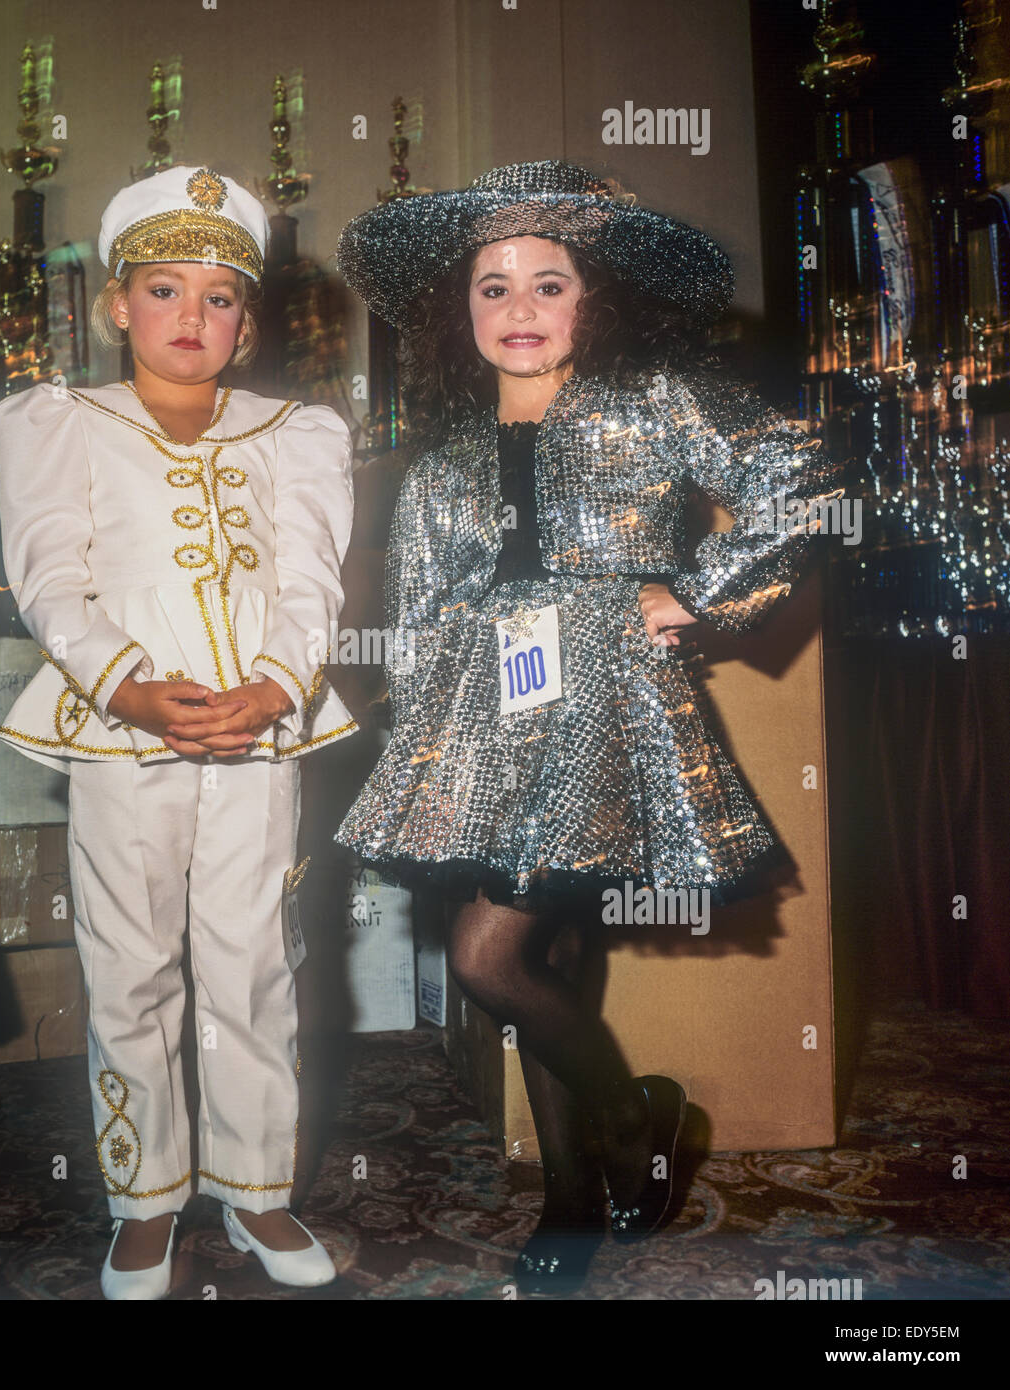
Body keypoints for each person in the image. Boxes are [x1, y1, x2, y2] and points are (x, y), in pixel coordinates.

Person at [332, 161, 845, 1290]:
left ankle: (630, 1117)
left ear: (594, 299)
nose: (518, 310)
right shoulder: (443, 464)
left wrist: (702, 588)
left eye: (547, 283)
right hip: (487, 724)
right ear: (452, 311)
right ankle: (572, 1198)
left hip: (607, 707)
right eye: (491, 287)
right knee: (547, 955)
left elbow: (804, 479)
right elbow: (416, 623)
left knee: (490, 952)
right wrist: (424, 763)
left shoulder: (654, 397)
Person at [0, 164, 357, 1299]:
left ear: (246, 320)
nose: (189, 317)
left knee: (253, 960)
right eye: (162, 289)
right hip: (126, 731)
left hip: (257, 730)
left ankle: (256, 1191)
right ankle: (143, 1201)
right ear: (117, 303)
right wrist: (127, 686)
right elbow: (50, 579)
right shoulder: (57, 420)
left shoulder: (296, 430)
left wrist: (275, 683)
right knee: (132, 963)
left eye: (217, 295)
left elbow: (312, 584)